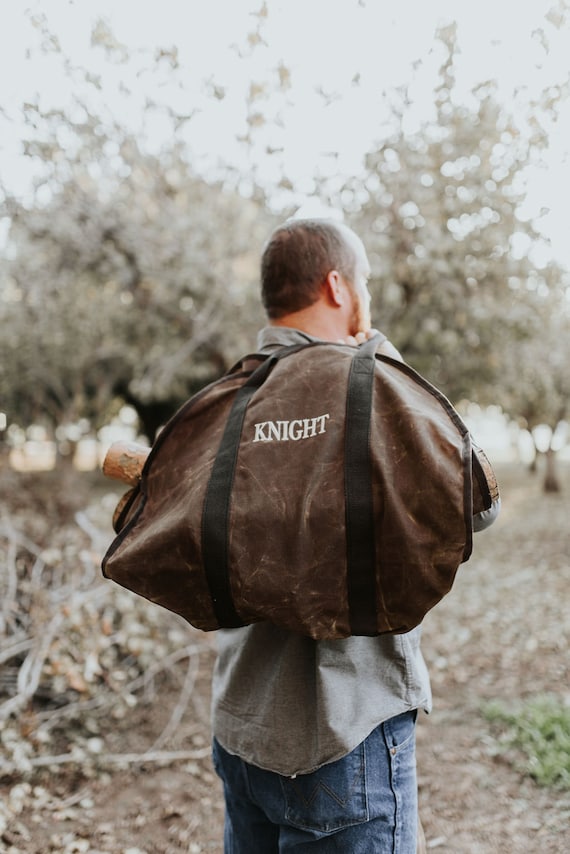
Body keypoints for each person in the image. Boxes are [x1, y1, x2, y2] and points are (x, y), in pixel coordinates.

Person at [211, 217, 499, 853]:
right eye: (363, 280)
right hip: (342, 734)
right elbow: (474, 505)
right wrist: (385, 362)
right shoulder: (370, 389)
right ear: (338, 287)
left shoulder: (229, 401)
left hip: (240, 724)